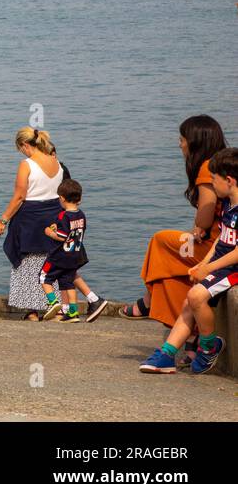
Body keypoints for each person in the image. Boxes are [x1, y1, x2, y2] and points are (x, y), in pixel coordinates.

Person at [139, 148, 238, 375]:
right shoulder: (228, 207)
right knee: (189, 302)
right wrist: (203, 263)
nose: (212, 185)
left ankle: (209, 345)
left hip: (232, 268)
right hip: (220, 264)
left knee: (195, 296)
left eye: (214, 180)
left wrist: (210, 267)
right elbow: (221, 241)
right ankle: (166, 354)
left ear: (230, 181)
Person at [122, 115, 228, 326]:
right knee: (169, 273)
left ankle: (149, 302)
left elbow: (205, 219)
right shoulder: (221, 162)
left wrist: (197, 227)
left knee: (160, 241)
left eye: (182, 139)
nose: (180, 144)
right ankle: (182, 329)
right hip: (220, 242)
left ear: (195, 141)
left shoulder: (207, 168)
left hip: (213, 248)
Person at [0, 127, 66, 320]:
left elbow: (19, 197)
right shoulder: (56, 163)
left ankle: (32, 311)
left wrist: (3, 220)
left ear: (25, 145)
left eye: (21, 149)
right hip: (53, 216)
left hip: (29, 218)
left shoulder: (27, 164)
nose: (22, 152)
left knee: (26, 262)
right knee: (50, 262)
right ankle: (58, 309)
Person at [39, 177, 102, 323]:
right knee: (68, 283)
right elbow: (74, 231)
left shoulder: (63, 215)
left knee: (44, 276)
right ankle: (73, 313)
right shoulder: (81, 215)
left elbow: (63, 236)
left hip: (58, 256)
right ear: (79, 199)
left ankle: (53, 302)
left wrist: (50, 232)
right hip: (74, 255)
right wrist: (58, 228)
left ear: (61, 198)